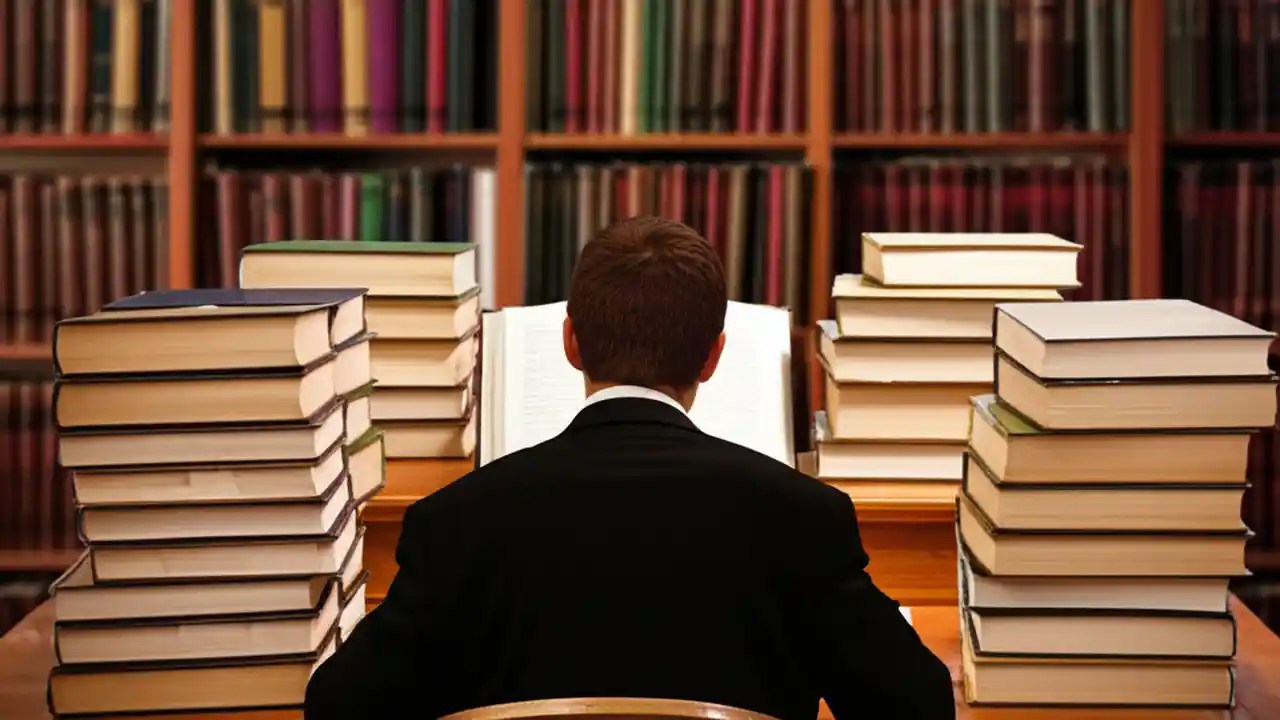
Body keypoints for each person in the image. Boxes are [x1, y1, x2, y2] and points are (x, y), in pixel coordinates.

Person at [305, 217, 954, 720]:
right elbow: (919, 708)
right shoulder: (805, 519)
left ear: (570, 342)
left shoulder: (453, 522)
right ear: (712, 357)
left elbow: (337, 708)